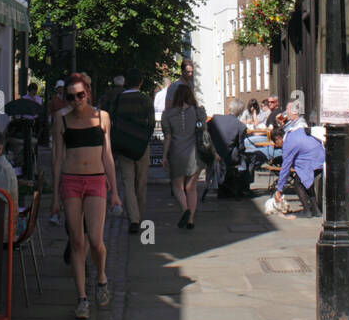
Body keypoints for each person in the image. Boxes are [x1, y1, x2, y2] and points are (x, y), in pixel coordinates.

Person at [50, 72, 120, 320]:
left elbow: (108, 155)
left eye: (80, 95)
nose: (76, 100)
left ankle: (101, 277)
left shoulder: (102, 117)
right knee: (77, 242)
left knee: (96, 241)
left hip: (96, 181)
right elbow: (57, 158)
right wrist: (54, 196)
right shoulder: (61, 121)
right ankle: (81, 298)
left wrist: (115, 192)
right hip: (70, 182)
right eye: (71, 97)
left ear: (88, 93)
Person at [107, 68, 155, 233]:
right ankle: (139, 217)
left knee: (128, 183)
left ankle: (133, 219)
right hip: (141, 146)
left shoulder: (119, 98)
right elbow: (151, 123)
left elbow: (112, 120)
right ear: (141, 82)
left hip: (124, 145)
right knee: (141, 183)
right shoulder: (145, 99)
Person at [162, 83, 207, 230]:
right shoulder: (199, 112)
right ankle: (191, 220)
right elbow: (205, 132)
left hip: (176, 152)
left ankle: (185, 208)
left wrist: (164, 156)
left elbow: (167, 136)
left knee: (177, 186)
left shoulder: (167, 115)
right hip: (195, 154)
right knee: (191, 188)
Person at [273, 103, 324, 217]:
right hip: (318, 156)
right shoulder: (297, 126)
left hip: (312, 160)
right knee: (305, 180)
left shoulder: (292, 137)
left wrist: (279, 189)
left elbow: (286, 165)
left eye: (287, 110)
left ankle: (307, 210)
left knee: (298, 183)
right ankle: (315, 209)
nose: (286, 113)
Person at [209, 99, 253, 199]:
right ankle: (243, 189)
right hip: (228, 158)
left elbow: (206, 134)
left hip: (212, 154)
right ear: (241, 112)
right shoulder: (241, 126)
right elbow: (241, 147)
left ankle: (227, 187)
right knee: (249, 159)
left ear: (229, 108)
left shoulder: (215, 119)